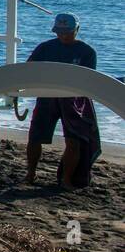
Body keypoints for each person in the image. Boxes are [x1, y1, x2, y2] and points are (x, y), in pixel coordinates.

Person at [25, 13, 101, 188]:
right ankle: (30, 173)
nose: (64, 35)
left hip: (73, 101)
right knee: (35, 137)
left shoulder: (87, 52)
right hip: (46, 97)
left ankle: (66, 179)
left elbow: (89, 80)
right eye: (60, 32)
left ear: (77, 29)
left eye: (68, 32)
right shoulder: (45, 48)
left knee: (74, 141)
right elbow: (28, 70)